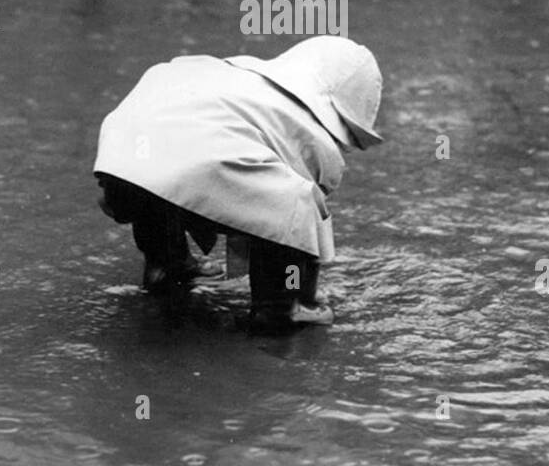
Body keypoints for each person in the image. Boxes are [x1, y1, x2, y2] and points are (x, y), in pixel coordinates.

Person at [93, 37, 383, 332]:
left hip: (119, 163)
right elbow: (297, 225)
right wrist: (303, 288)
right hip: (182, 168)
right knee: (297, 205)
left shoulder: (232, 79)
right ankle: (282, 308)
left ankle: (167, 266)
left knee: (163, 176)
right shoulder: (307, 131)